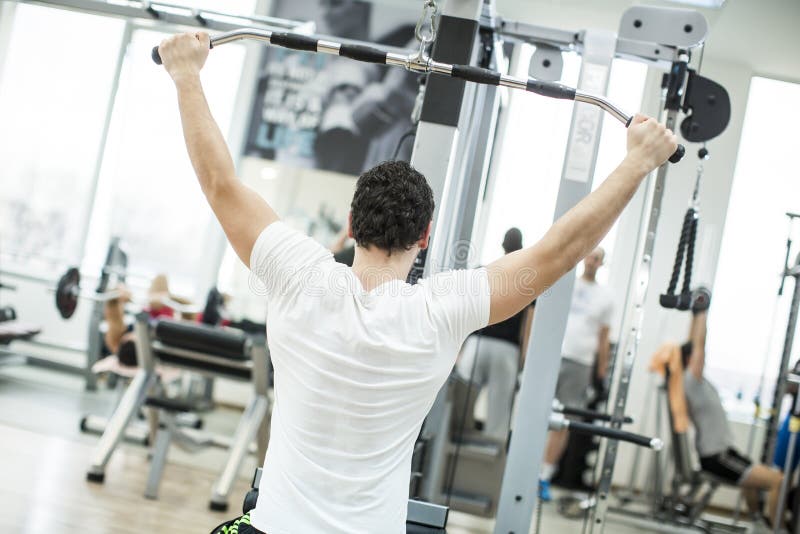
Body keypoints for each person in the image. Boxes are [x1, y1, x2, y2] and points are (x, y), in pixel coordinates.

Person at [156, 32, 677, 534]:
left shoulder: (298, 275)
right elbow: (560, 251)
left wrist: (186, 75)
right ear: (426, 235)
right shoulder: (442, 309)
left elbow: (220, 184)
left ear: (352, 225)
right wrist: (638, 161)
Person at [682, 292, 784, 526]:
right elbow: (697, 346)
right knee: (777, 480)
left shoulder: (698, 382)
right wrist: (701, 314)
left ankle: (757, 523)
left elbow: (696, 346)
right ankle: (776, 530)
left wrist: (698, 313)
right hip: (717, 457)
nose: (702, 357)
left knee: (757, 477)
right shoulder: (691, 382)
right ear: (689, 361)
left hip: (725, 452)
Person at [539, 247, 613, 501]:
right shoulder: (564, 283)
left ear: (601, 264)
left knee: (563, 422)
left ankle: (544, 476)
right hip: (552, 355)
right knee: (536, 415)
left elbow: (604, 339)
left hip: (581, 363)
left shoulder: (605, 298)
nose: (593, 261)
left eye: (598, 259)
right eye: (591, 256)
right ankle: (524, 469)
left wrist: (601, 371)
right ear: (584, 258)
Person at [455, 228, 535, 440]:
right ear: (520, 248)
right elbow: (528, 324)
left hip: (477, 343)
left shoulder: (484, 271)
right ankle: (493, 454)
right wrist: (522, 359)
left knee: (460, 399)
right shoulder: (526, 279)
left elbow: (467, 312)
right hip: (507, 350)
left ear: (502, 245)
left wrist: (459, 349)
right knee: (499, 410)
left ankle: (453, 438)